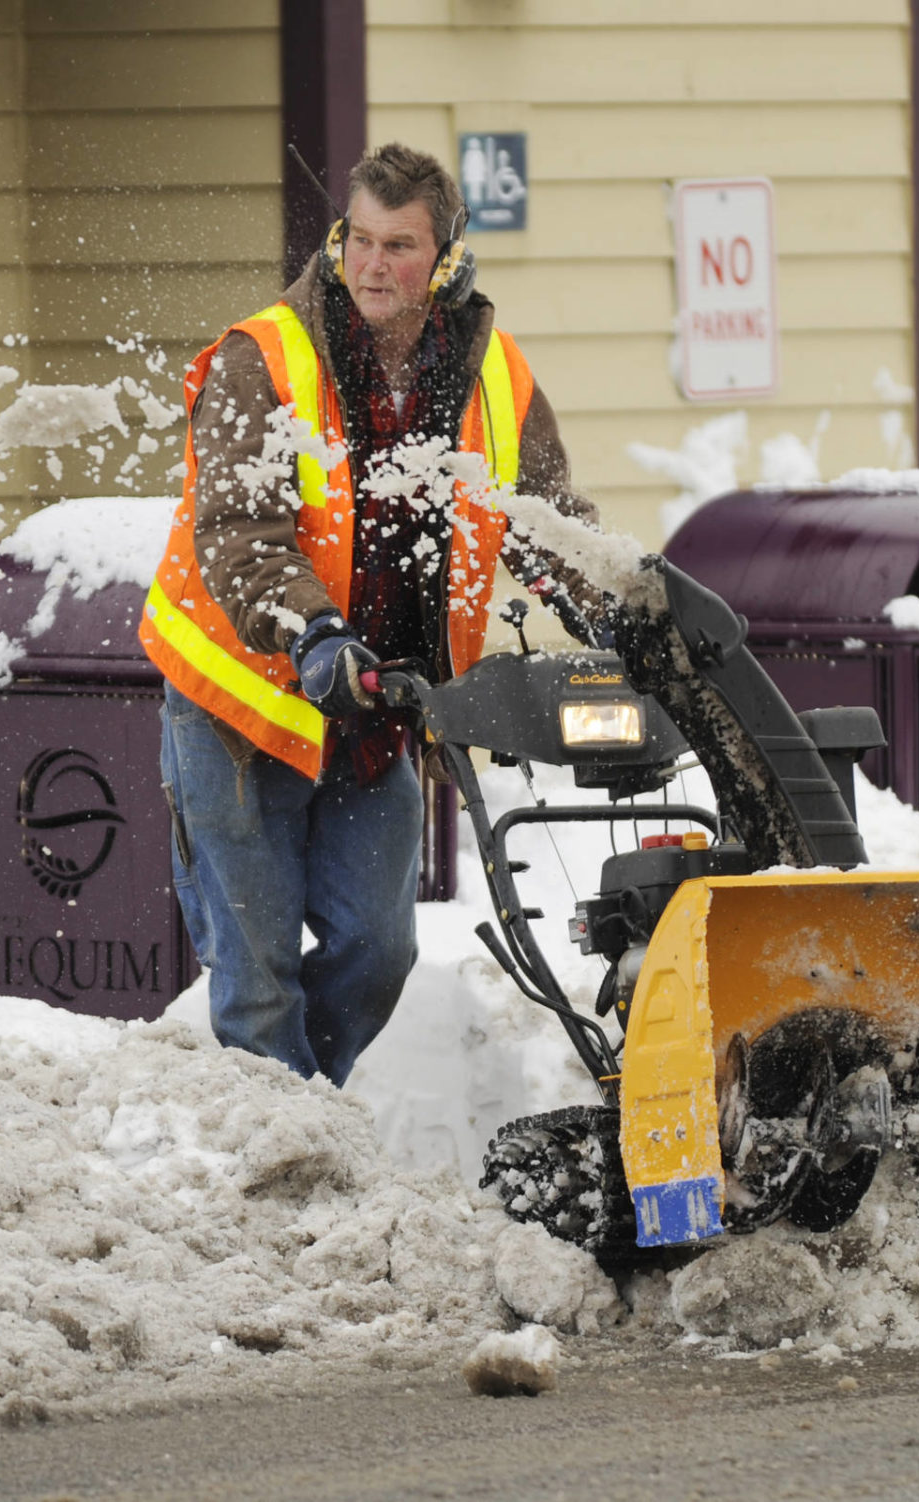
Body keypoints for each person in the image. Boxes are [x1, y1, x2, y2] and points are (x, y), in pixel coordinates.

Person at [139, 142, 598, 1087]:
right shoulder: (260, 357)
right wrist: (313, 629)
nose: (374, 265)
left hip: (380, 708)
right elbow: (240, 530)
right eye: (360, 239)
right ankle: (279, 1163)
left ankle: (296, 1109)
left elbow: (547, 522)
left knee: (377, 954)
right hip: (247, 702)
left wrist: (622, 601)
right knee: (258, 978)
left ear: (446, 262)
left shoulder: (491, 376)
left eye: (401, 245)